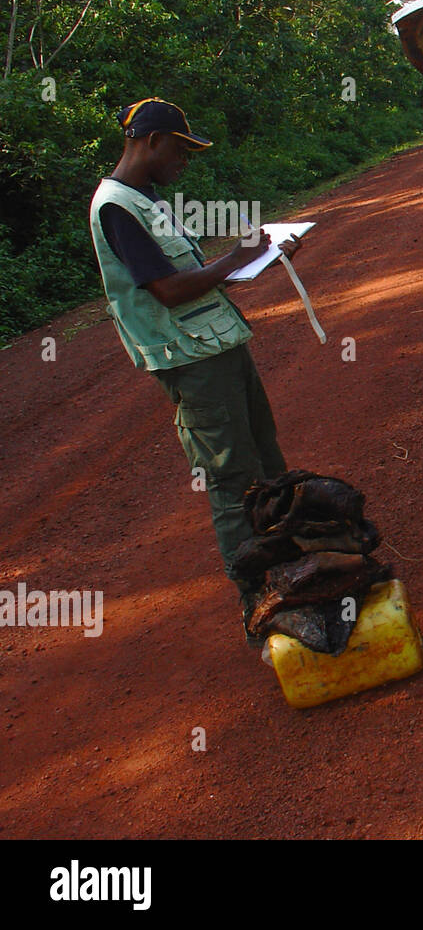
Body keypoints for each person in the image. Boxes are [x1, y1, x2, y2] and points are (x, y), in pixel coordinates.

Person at [87, 97, 299, 631]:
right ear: (152, 141)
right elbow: (168, 290)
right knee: (233, 482)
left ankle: (292, 573)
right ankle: (259, 604)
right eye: (180, 151)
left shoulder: (146, 198)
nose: (185, 161)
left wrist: (260, 257)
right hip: (191, 358)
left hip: (219, 346)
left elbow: (190, 276)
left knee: (267, 461)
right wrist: (237, 258)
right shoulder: (116, 207)